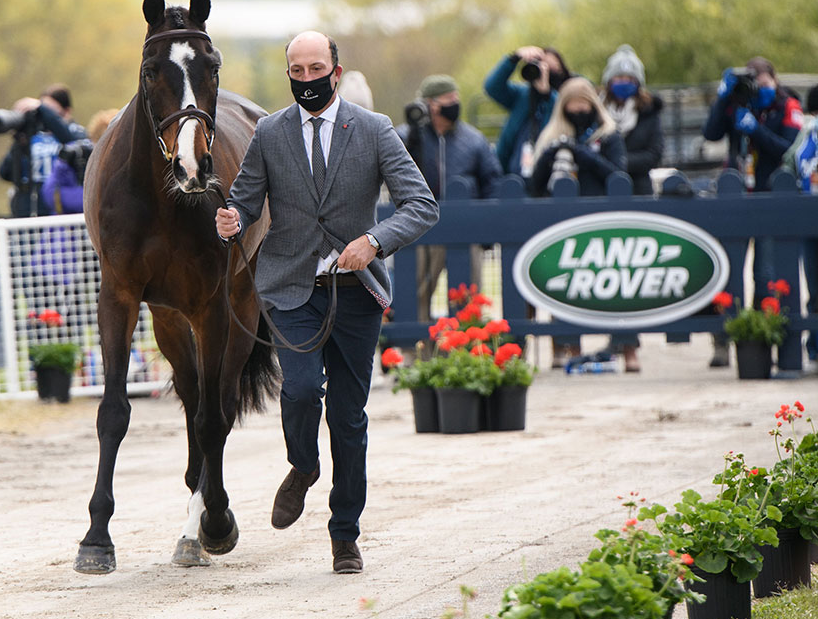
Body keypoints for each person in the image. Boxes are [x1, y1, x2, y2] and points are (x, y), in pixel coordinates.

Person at [216, 31, 437, 575]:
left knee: (348, 416)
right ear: (288, 74)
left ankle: (345, 535)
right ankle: (303, 466)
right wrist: (230, 221)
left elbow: (422, 204)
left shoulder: (373, 129)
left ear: (336, 71)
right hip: (289, 286)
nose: (308, 79)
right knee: (297, 389)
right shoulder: (270, 132)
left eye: (317, 68)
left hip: (355, 293)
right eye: (298, 70)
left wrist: (375, 241)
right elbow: (243, 202)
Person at [701, 57, 804, 366]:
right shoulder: (737, 102)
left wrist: (756, 129)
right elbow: (711, 133)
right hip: (737, 196)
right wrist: (723, 98)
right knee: (727, 271)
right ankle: (723, 340)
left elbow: (787, 149)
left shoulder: (788, 106)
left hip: (771, 195)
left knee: (766, 273)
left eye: (764, 82)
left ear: (774, 79)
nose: (759, 88)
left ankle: (763, 338)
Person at [529, 76, 627, 367]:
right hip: (560, 227)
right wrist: (548, 156)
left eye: (582, 103)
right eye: (571, 104)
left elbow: (618, 176)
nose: (577, 109)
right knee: (563, 287)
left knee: (612, 286)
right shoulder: (551, 137)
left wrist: (582, 153)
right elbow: (533, 188)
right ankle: (565, 346)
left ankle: (623, 345)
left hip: (602, 222)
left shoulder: (609, 136)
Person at [399, 74, 502, 319]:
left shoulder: (473, 139)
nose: (454, 103)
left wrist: (487, 225)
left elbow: (492, 180)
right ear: (429, 104)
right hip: (421, 228)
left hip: (466, 228)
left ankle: (467, 347)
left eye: (455, 97)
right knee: (417, 291)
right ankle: (415, 347)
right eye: (447, 99)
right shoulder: (406, 136)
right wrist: (413, 136)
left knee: (468, 293)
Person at [598, 45, 665, 372]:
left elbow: (655, 154)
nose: (623, 82)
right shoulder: (596, 111)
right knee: (607, 270)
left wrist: (620, 163)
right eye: (618, 76)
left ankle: (630, 345)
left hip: (637, 195)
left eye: (629, 77)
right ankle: (614, 341)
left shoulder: (650, 112)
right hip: (601, 196)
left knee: (630, 272)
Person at [782, 79, 818, 373]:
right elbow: (788, 165)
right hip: (809, 220)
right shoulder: (806, 135)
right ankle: (817, 350)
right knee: (816, 290)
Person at [0, 84, 88, 217]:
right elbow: (5, 172)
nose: (45, 116)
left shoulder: (76, 133)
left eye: (50, 111)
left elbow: (73, 143)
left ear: (67, 112)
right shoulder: (33, 137)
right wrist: (19, 140)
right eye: (42, 111)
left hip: (62, 213)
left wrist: (43, 110)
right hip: (30, 212)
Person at [486, 45, 571, 178]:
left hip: (551, 174)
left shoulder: (567, 95)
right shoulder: (523, 95)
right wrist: (513, 58)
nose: (545, 72)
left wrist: (547, 95)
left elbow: (560, 119)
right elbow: (492, 87)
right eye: (541, 66)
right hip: (514, 174)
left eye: (551, 67)